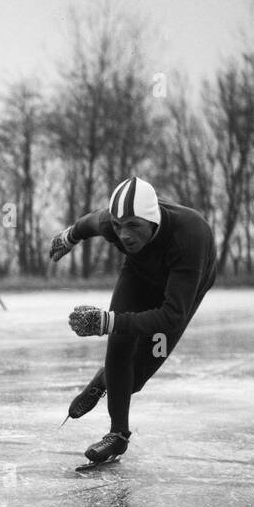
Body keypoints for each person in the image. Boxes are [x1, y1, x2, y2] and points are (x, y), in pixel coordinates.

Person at [48, 175, 217, 466]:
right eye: (117, 226)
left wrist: (107, 321)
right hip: (138, 275)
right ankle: (118, 435)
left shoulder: (190, 236)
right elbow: (88, 223)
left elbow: (170, 317)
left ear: (152, 221)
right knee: (119, 347)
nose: (124, 235)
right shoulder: (115, 223)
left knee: (133, 380)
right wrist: (68, 237)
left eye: (133, 226)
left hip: (181, 288)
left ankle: (103, 381)